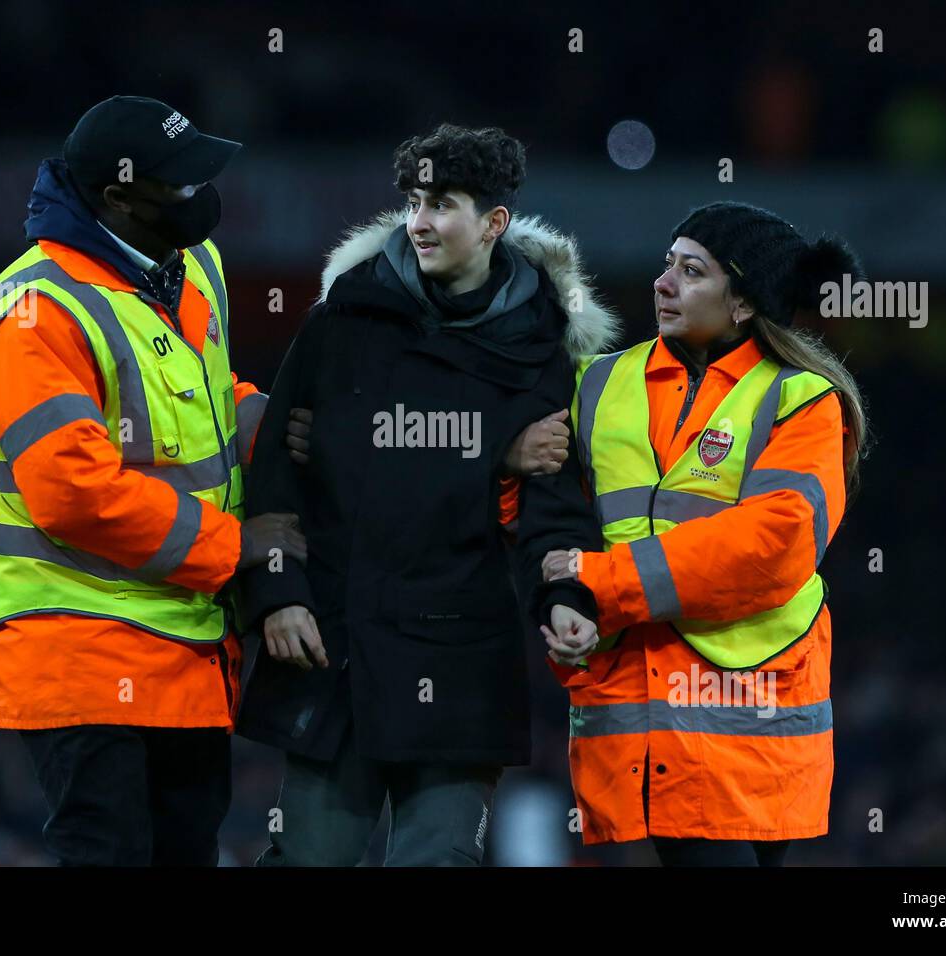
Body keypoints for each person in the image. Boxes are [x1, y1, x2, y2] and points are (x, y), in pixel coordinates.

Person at [235, 123, 616, 866]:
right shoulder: (343, 322)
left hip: (462, 651)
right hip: (334, 642)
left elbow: (554, 502)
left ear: (494, 223)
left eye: (442, 203)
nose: (418, 221)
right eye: (413, 201)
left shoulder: (543, 344)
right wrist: (277, 592)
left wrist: (565, 596)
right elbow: (280, 470)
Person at [0, 95, 303, 866]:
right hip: (78, 641)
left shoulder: (189, 267)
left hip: (182, 641)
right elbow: (70, 488)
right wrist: (238, 545)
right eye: (178, 183)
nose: (198, 195)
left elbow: (207, 405)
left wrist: (276, 427)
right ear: (117, 196)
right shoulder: (32, 310)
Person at [542, 201, 869, 867]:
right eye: (668, 265)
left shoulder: (801, 398)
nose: (663, 283)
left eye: (692, 271)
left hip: (763, 720)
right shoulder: (597, 385)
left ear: (744, 302)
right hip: (647, 717)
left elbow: (774, 547)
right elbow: (542, 512)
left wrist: (598, 584)